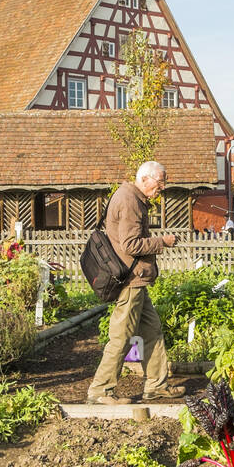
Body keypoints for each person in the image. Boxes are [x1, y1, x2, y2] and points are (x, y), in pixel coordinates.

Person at [87, 162, 185, 404]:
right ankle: (100, 390)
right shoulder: (130, 200)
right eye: (160, 182)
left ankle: (155, 385)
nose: (162, 187)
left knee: (152, 332)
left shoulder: (130, 196)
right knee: (121, 337)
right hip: (130, 281)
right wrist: (162, 242)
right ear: (144, 178)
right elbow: (131, 245)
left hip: (136, 280)